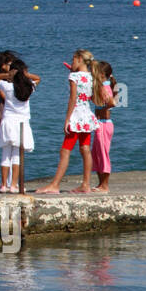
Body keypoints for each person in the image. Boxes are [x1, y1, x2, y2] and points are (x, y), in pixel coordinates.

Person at [36, 49, 99, 194]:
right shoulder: (92, 76)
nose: (71, 62)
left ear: (79, 60)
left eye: (73, 59)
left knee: (65, 150)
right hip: (87, 115)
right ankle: (86, 184)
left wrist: (67, 119)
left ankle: (55, 185)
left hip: (76, 115)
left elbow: (72, 98)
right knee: (85, 149)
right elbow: (92, 98)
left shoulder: (74, 76)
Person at [0, 58, 39, 192]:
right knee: (17, 155)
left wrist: (8, 75)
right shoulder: (28, 87)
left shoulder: (7, 87)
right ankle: (14, 185)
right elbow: (38, 78)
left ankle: (3, 185)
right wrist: (25, 74)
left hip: (8, 121)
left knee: (6, 153)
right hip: (22, 123)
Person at [0, 50, 19, 187]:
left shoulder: (7, 81)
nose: (13, 68)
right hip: (4, 116)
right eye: (10, 65)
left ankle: (9, 182)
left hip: (6, 116)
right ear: (3, 66)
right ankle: (8, 182)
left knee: (11, 148)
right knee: (9, 149)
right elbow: (5, 97)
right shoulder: (1, 82)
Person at [91, 60, 118, 192]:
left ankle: (105, 185)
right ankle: (101, 183)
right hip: (99, 124)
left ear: (102, 75)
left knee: (102, 154)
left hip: (103, 124)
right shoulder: (102, 85)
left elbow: (112, 103)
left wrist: (103, 107)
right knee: (96, 154)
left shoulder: (104, 87)